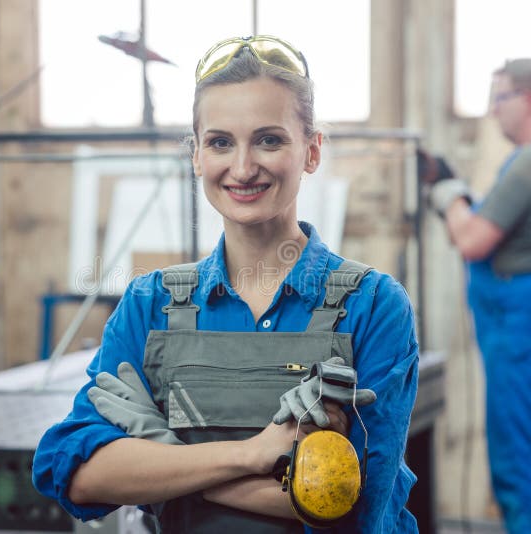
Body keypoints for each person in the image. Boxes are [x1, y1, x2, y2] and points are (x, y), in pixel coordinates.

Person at [33, 35, 420, 533]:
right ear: (196, 156)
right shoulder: (150, 304)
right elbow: (74, 472)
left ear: (312, 150)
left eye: (269, 139)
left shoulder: (372, 305)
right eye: (220, 142)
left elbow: (355, 502)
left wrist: (163, 458)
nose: (242, 168)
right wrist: (253, 454)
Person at [420, 58, 531, 534]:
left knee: (520, 470)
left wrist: (446, 193)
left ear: (527, 99)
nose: (493, 111)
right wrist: (461, 196)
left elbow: (475, 239)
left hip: (528, 333)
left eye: (498, 98)